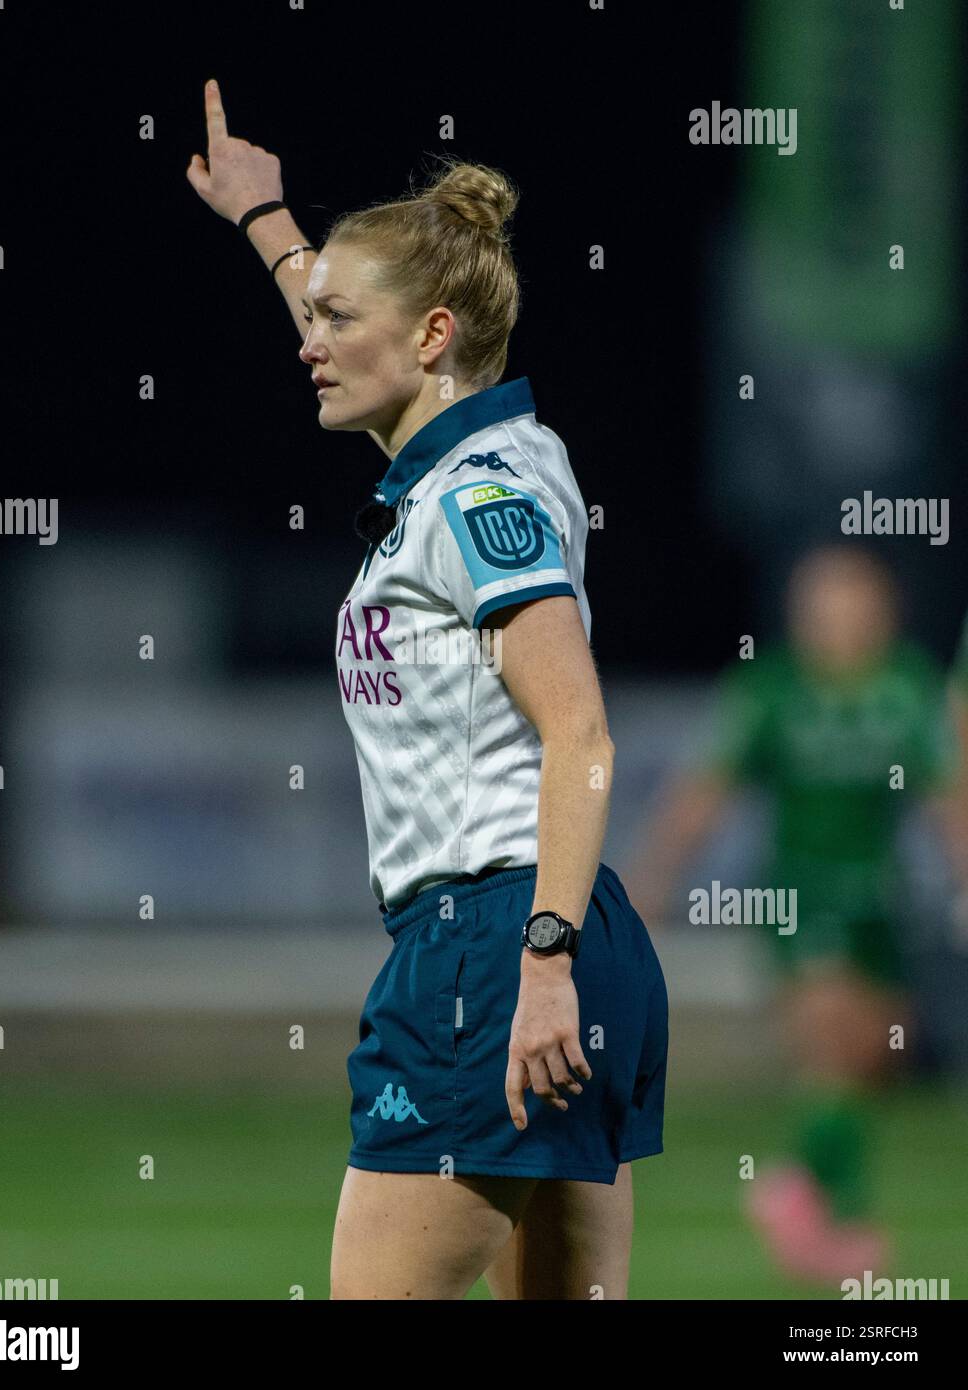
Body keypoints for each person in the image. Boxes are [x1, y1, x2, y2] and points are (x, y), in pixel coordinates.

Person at [187, 79, 668, 1300]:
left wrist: (540, 962)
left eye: (336, 318)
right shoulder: (494, 447)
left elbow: (582, 730)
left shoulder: (470, 501)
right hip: (551, 931)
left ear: (433, 337)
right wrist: (267, 218)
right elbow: (363, 328)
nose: (308, 337)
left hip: (495, 945)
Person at [626, 546, 964, 1283]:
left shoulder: (906, 687)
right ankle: (829, 1210)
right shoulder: (772, 690)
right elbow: (702, 794)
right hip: (798, 898)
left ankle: (808, 1194)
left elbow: (948, 798)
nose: (841, 620)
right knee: (834, 1047)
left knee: (875, 1058)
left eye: (855, 603)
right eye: (826, 604)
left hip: (881, 900)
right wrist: (649, 886)